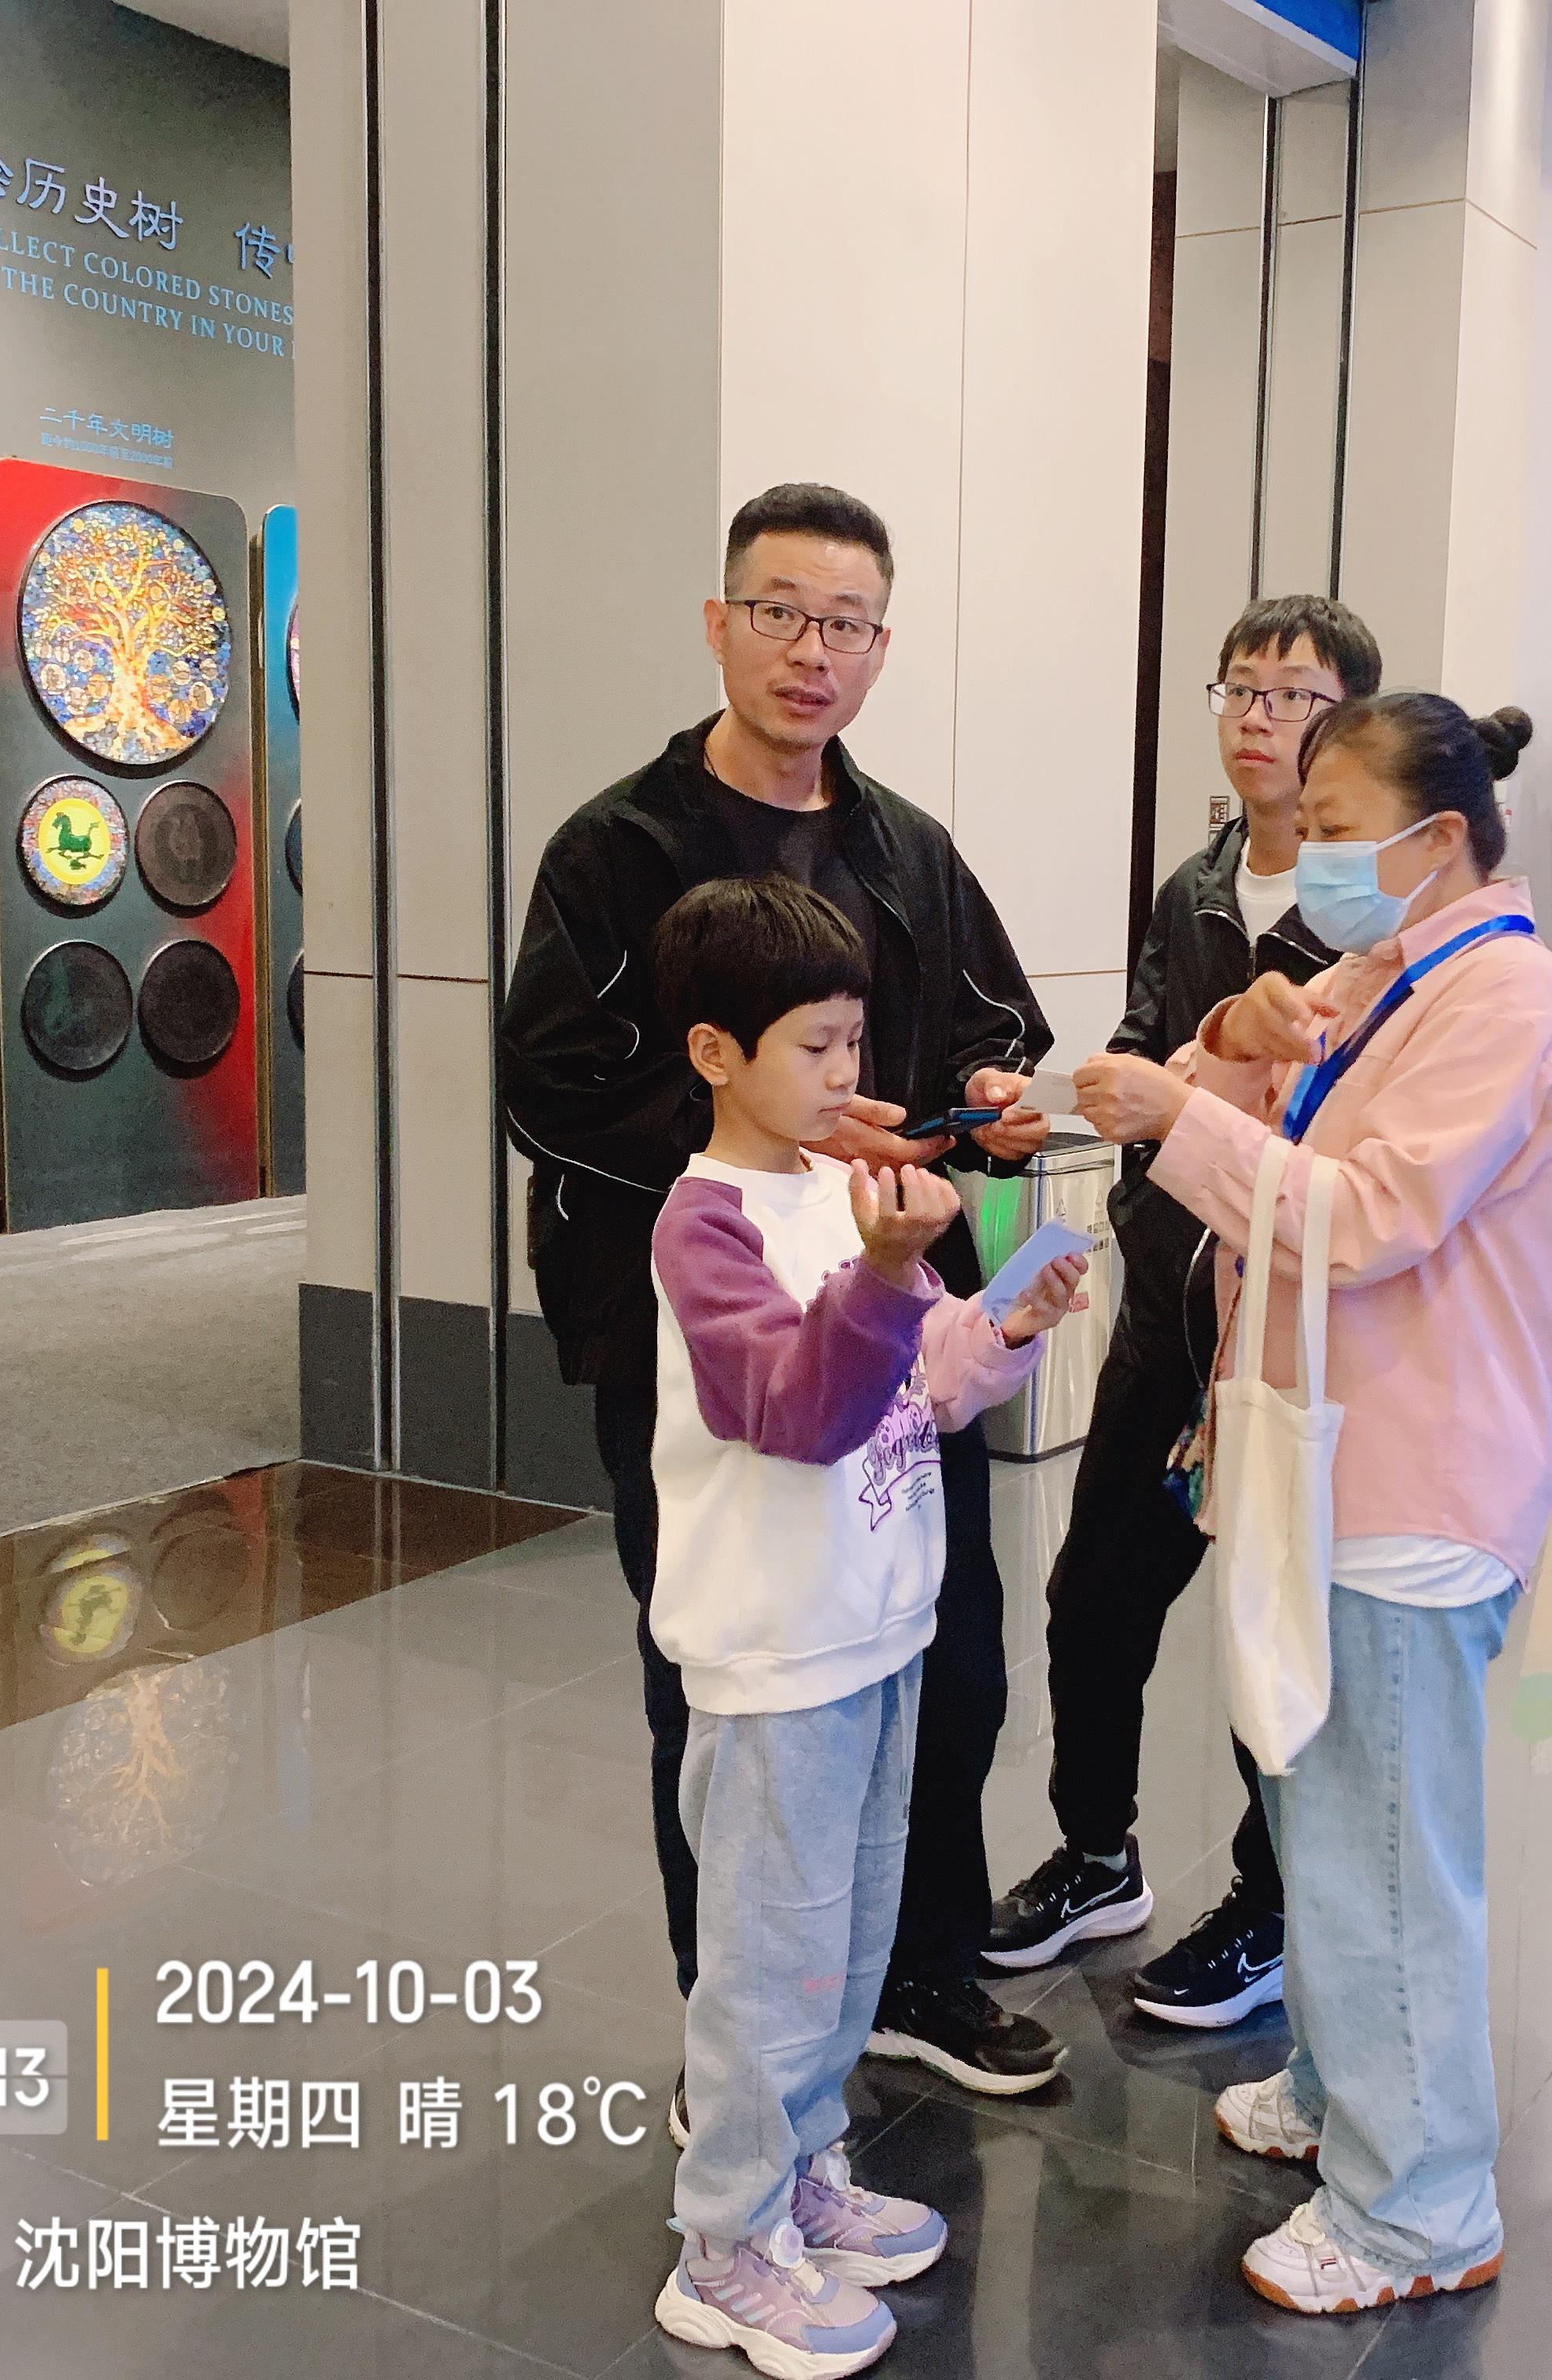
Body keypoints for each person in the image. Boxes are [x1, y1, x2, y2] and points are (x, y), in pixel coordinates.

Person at [497, 482, 1070, 2099]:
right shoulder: (617, 849)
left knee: (941, 1652)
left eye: (846, 624)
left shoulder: (906, 849)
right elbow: (548, 1081)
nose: (811, 651)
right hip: (700, 1323)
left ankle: (919, 1972)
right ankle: (737, 2033)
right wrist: (779, 1137)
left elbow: (990, 1034)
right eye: (779, 612)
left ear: (881, 648)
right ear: (719, 621)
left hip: (890, 1303)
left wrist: (989, 1102)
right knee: (732, 1690)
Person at [1070, 693, 1552, 2316]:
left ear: (1439, 837)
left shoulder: (1506, 999)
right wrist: (1226, 1052)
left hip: (1417, 1480)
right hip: (1327, 1462)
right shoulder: (1386, 977)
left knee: (1383, 1846)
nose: (1308, 848)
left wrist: (1180, 1118)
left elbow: (1365, 1217)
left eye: (1336, 820)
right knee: (1319, 1805)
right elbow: (1253, 1125)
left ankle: (1417, 2206)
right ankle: (1338, 2087)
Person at [641, 878, 1088, 2378]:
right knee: (766, 1967)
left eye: (854, 1040)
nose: (847, 1074)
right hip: (779, 1655)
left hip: (878, 1627)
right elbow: (797, 1407)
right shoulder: (705, 1223)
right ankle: (724, 2242)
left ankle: (798, 2172)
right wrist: (888, 1270)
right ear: (717, 1051)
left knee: (840, 1948)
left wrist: (999, 1318)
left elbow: (922, 1379)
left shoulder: (841, 1184)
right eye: (815, 1045)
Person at [982, 595, 1373, 2027]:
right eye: (1240, 690)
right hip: (1169, 1308)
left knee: (1271, 1624)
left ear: (1351, 721)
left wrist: (1184, 1098)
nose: (1259, 718)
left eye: (1294, 694)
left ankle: (1271, 1906)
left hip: (1293, 1328)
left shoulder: (1370, 912)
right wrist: (1076, 1095)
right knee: (1093, 1596)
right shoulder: (1193, 885)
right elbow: (1150, 1049)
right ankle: (1097, 1852)